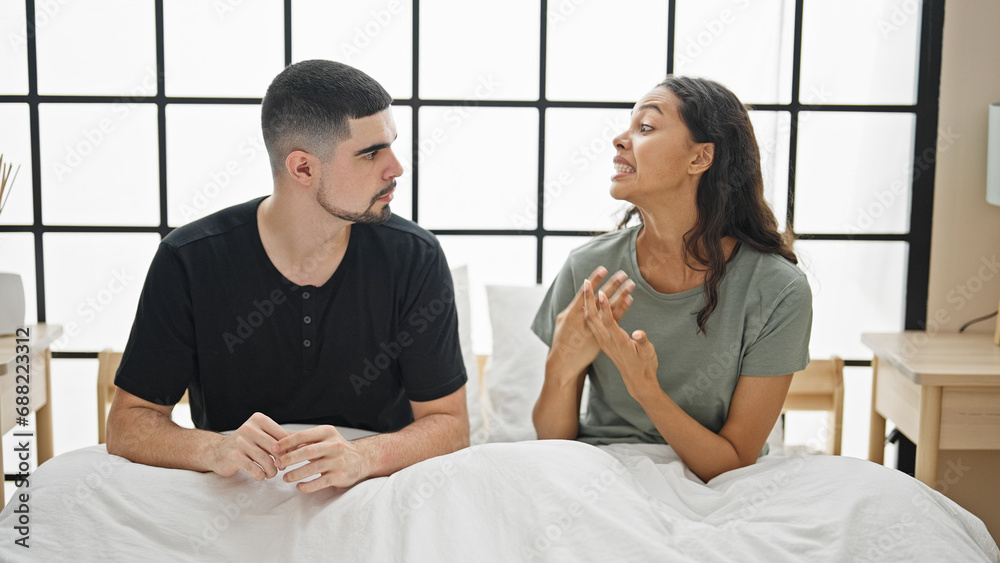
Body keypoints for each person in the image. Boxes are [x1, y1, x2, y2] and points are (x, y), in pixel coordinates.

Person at [106, 60, 469, 492]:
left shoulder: (415, 257)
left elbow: (451, 426)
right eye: (371, 153)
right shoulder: (188, 259)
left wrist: (363, 456)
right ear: (303, 169)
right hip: (233, 496)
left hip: (372, 490)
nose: (396, 168)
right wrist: (214, 449)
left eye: (390, 145)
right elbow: (127, 424)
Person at [531, 76, 812, 483]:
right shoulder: (589, 268)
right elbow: (552, 443)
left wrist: (644, 386)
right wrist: (560, 366)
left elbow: (732, 462)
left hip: (715, 484)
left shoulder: (778, 290)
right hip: (600, 475)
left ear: (700, 158)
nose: (619, 140)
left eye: (645, 127)